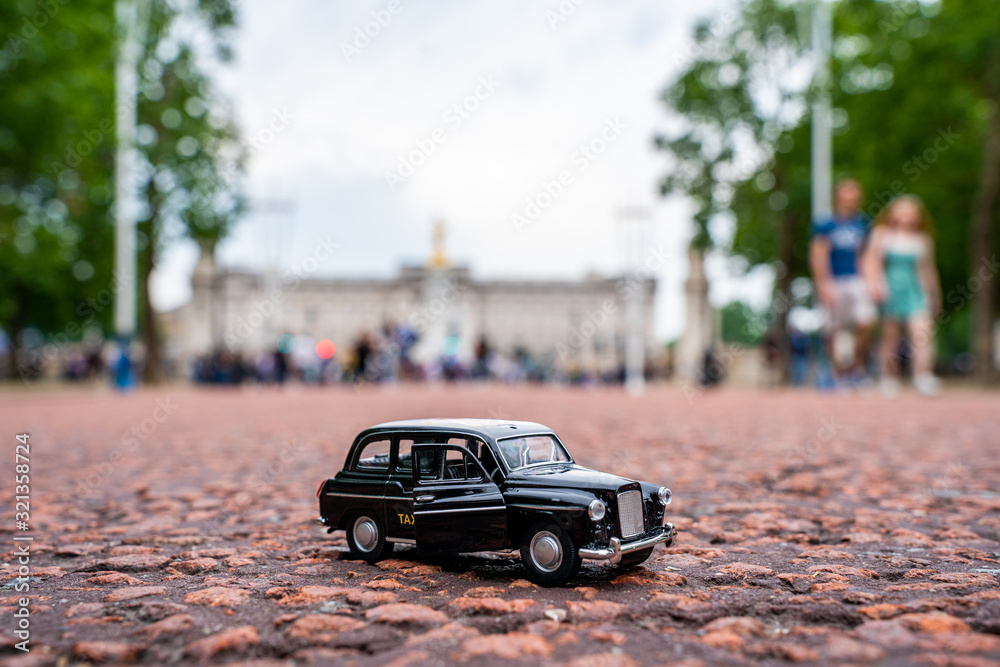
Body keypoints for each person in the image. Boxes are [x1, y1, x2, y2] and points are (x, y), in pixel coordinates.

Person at [862, 195, 942, 396]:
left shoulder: (922, 239)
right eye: (902, 211)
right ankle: (888, 378)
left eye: (910, 212)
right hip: (890, 290)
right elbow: (871, 262)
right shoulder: (882, 234)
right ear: (893, 213)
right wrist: (875, 286)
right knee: (890, 337)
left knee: (922, 334)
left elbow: (927, 270)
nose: (906, 216)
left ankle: (923, 376)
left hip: (915, 290)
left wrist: (935, 294)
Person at [810, 179, 877, 386]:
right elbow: (818, 254)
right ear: (837, 196)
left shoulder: (864, 223)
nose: (849, 198)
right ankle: (836, 372)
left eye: (853, 193)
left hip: (857, 280)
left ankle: (856, 367)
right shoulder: (826, 223)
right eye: (845, 193)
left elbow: (867, 255)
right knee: (833, 329)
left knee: (866, 321)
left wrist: (872, 281)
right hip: (834, 280)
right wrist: (823, 284)